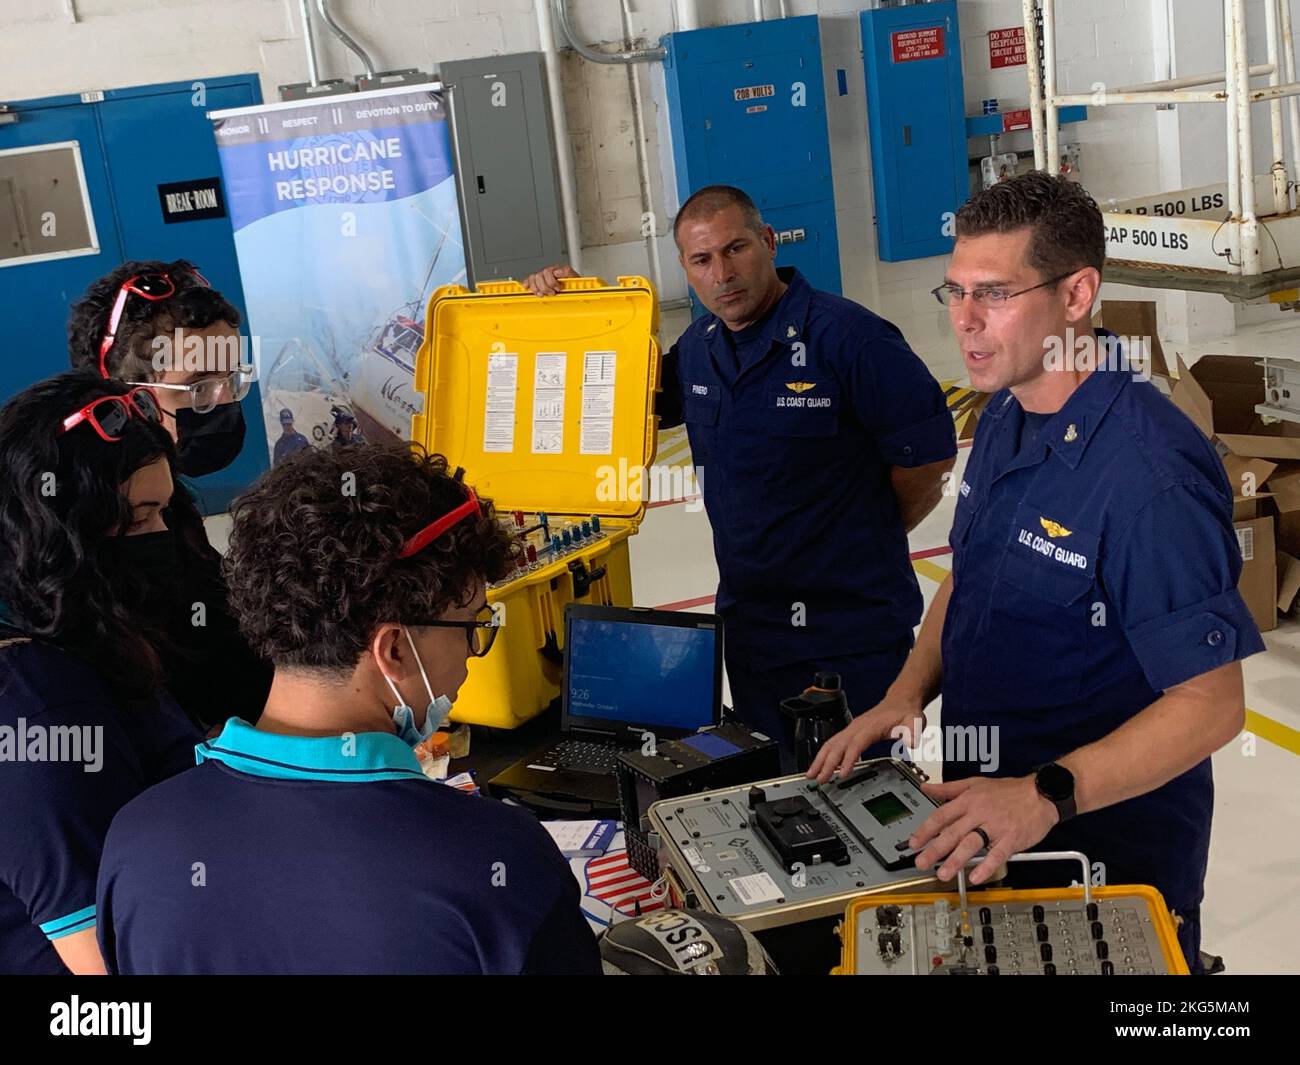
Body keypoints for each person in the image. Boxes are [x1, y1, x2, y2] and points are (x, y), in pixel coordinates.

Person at [810, 172, 1264, 974]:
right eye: (954, 291)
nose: (964, 322)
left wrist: (1043, 794)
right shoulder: (1008, 413)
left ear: (1077, 293)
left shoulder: (1149, 476)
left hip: (1103, 857)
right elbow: (968, 576)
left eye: (995, 294)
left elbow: (1211, 704)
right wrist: (906, 692)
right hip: (989, 823)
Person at [96, 444, 602, 974]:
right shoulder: (501, 859)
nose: (473, 657)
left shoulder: (137, 837)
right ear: (394, 649)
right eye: (473, 627)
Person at [524, 186, 956, 767]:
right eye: (702, 260)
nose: (722, 274)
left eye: (736, 250)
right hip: (754, 628)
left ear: (768, 242)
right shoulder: (699, 350)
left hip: (851, 629)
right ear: (685, 268)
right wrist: (576, 308)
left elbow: (928, 459)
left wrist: (867, 536)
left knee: (866, 796)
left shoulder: (850, 338)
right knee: (773, 792)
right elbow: (620, 395)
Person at [0, 373, 203, 974]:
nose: (162, 540)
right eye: (139, 520)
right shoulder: (42, 713)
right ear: (61, 529)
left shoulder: (79, 638)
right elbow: (113, 968)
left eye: (164, 513)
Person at [67, 259, 272, 726]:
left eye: (232, 379)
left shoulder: (171, 504)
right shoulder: (103, 531)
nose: (221, 400)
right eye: (195, 388)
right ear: (124, 395)